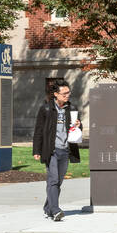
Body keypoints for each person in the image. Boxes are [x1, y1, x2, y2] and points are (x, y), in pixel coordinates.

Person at [33, 80, 82, 221]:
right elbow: (38, 131)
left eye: (68, 92)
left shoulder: (71, 109)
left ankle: (48, 207)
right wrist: (37, 149)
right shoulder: (46, 109)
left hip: (66, 150)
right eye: (64, 93)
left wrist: (79, 124)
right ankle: (55, 210)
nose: (67, 95)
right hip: (51, 150)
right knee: (53, 179)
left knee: (58, 181)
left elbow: (76, 129)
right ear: (56, 94)